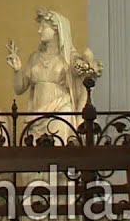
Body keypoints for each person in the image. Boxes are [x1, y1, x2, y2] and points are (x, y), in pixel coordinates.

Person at [7, 8, 85, 142]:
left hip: (61, 110)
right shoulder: (35, 57)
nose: (39, 31)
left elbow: (82, 86)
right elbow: (19, 89)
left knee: (59, 147)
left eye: (43, 27)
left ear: (57, 30)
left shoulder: (69, 58)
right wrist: (17, 70)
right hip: (36, 113)